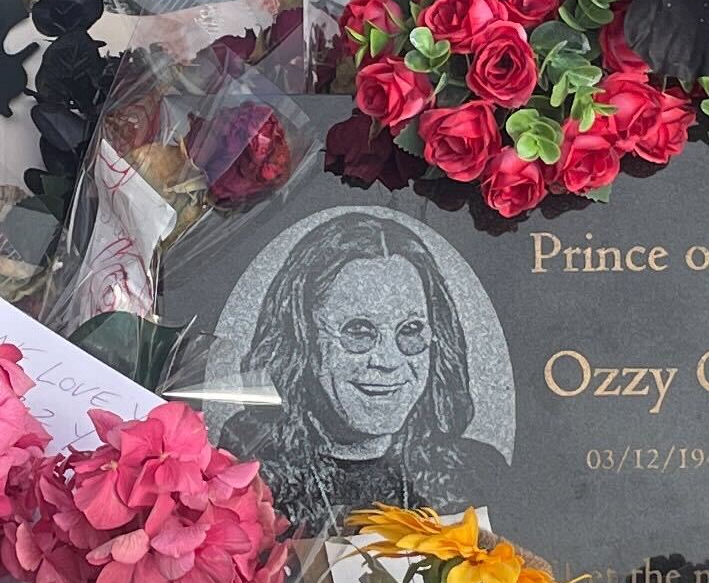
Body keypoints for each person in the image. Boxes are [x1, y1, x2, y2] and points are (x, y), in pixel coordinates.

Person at [213, 209, 499, 532]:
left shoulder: (479, 473)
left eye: (410, 331)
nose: (388, 360)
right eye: (359, 331)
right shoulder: (248, 463)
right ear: (302, 338)